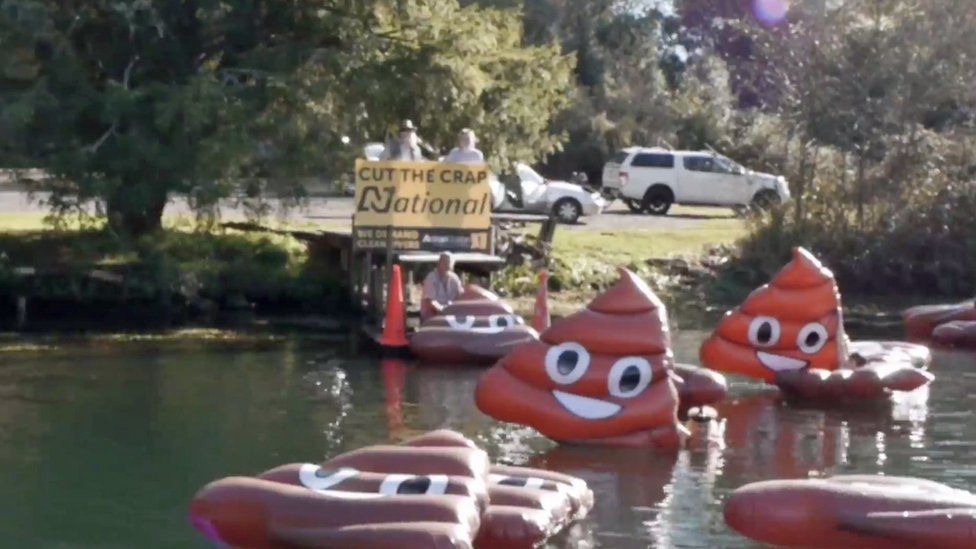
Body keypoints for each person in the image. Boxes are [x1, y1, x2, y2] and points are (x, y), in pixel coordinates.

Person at [420, 252, 463, 321]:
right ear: (439, 263)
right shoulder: (431, 278)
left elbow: (460, 297)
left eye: (449, 262)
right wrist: (443, 311)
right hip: (431, 317)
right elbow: (431, 302)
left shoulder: (454, 278)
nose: (447, 264)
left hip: (450, 316)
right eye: (444, 262)